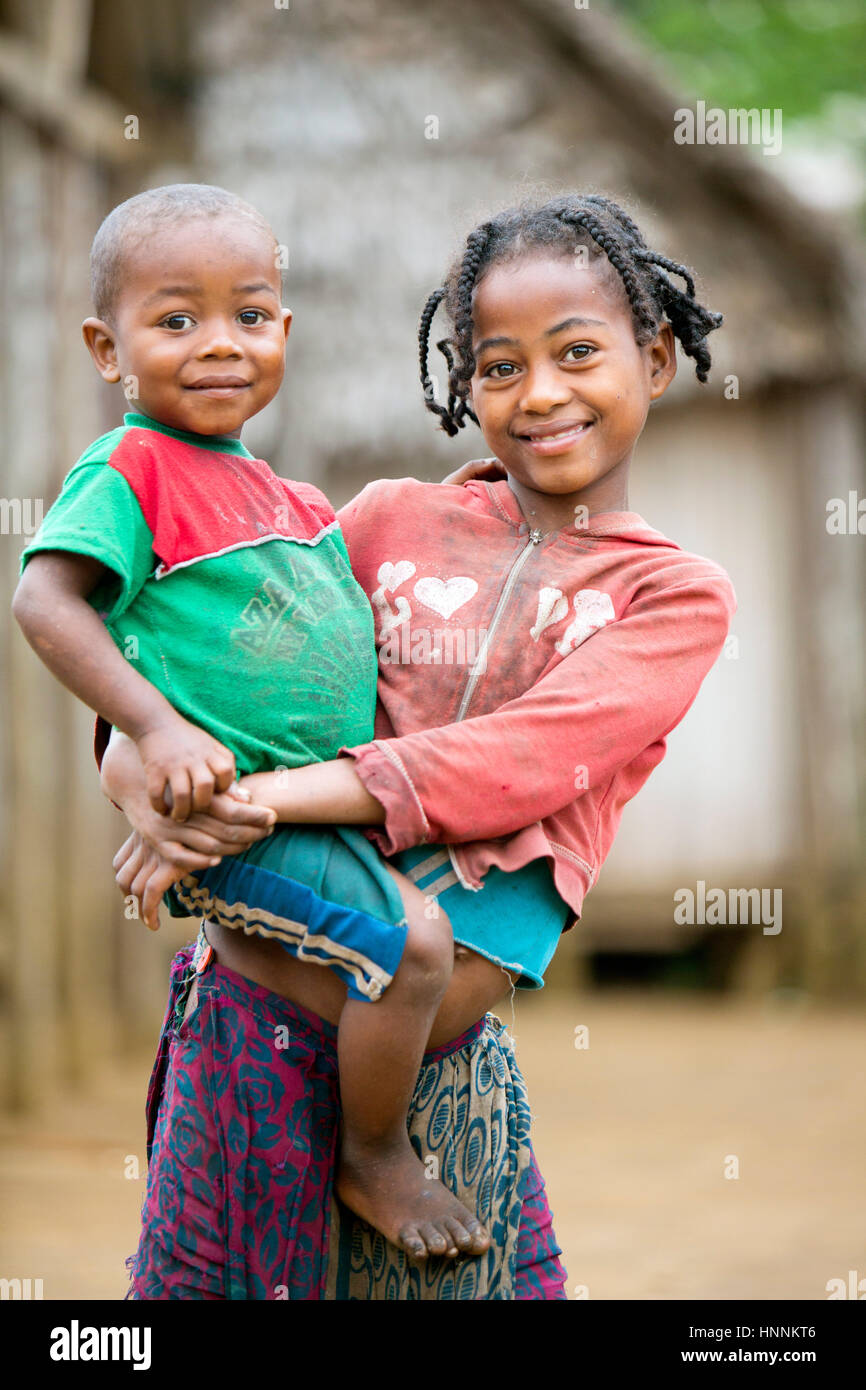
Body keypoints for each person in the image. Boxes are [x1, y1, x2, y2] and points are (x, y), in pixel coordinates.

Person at [105, 192, 737, 1299]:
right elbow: (211, 661)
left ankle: (373, 1151)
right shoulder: (382, 521)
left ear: (654, 358)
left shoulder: (669, 595)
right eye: (497, 367)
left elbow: (512, 763)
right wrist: (145, 778)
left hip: (427, 1076)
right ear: (462, 384)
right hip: (246, 1028)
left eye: (577, 354)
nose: (539, 394)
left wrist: (256, 805)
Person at [12, 183, 491, 1261]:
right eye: (175, 320)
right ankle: (373, 1161)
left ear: (284, 329)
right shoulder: (129, 470)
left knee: (416, 935)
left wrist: (456, 506)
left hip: (312, 816)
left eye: (250, 314)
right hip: (237, 822)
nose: (218, 344)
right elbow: (45, 601)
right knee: (412, 947)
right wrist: (154, 731)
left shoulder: (293, 501)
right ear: (107, 347)